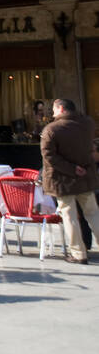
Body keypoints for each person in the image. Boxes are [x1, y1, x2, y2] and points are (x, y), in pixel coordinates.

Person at [41, 98, 99, 264]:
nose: (52, 113)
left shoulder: (52, 129)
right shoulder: (87, 123)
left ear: (60, 109)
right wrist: (80, 168)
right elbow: (88, 147)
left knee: (69, 215)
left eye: (53, 110)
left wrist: (71, 169)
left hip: (62, 180)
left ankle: (78, 253)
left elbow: (49, 156)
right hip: (85, 176)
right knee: (93, 213)